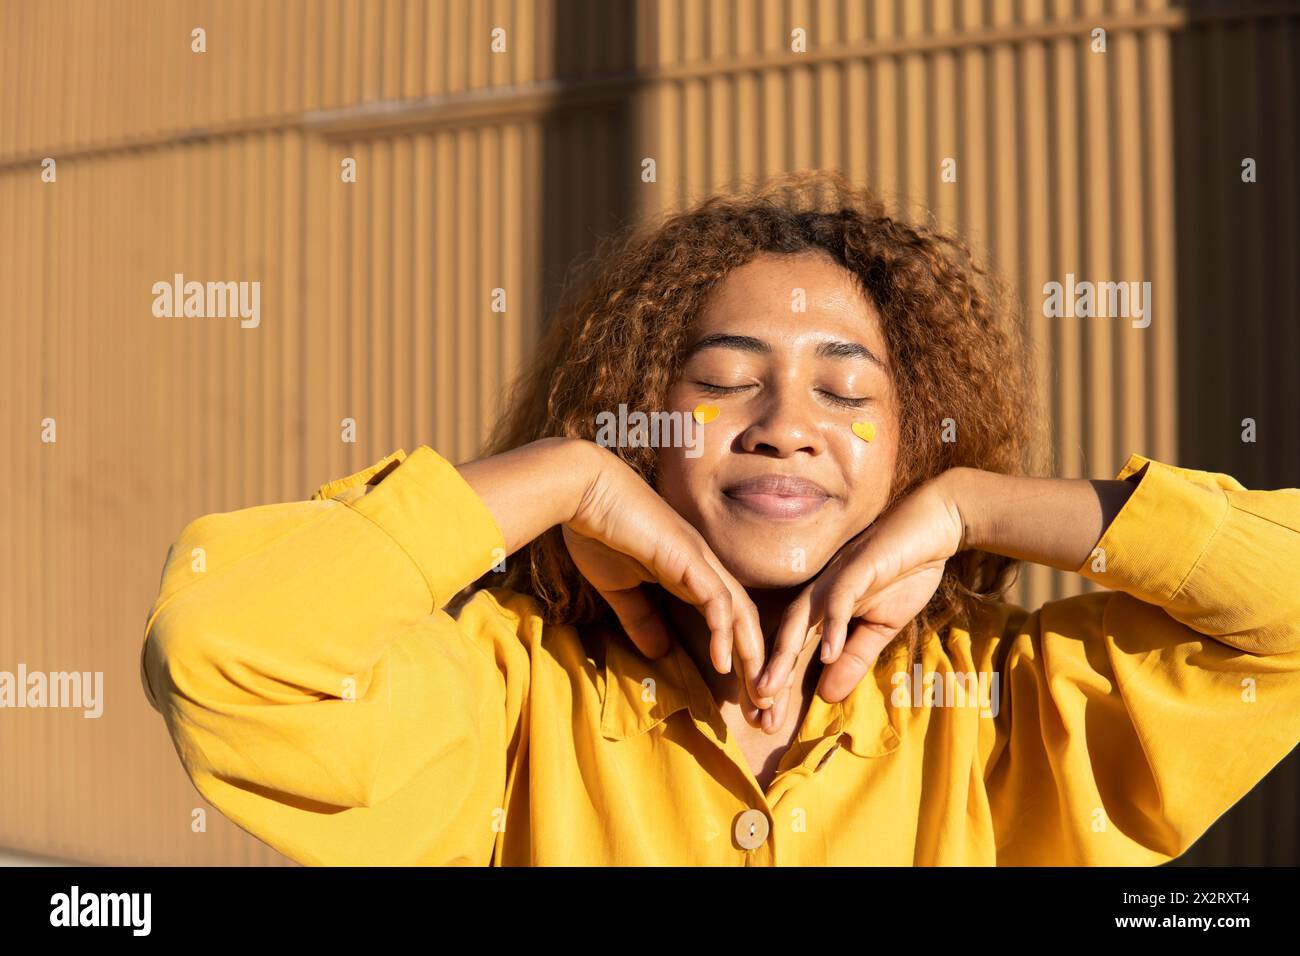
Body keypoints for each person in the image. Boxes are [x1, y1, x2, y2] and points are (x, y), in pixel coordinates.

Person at [140, 170, 1300, 865]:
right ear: (634, 412)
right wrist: (559, 479)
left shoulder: (1002, 708)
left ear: (913, 437)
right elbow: (227, 658)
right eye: (721, 379)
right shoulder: (513, 692)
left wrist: (982, 504)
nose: (785, 422)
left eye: (847, 392)